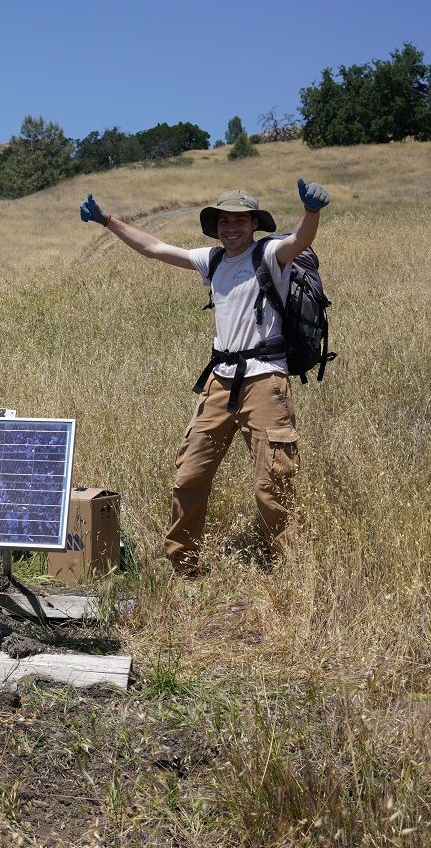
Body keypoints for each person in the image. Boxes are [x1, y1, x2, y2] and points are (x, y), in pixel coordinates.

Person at [80, 179, 330, 575]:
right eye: (224, 221)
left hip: (265, 381)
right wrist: (108, 221)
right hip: (220, 381)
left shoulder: (269, 255)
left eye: (240, 221)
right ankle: (183, 565)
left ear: (253, 224)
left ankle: (288, 570)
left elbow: (299, 240)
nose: (231, 228)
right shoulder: (212, 260)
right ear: (216, 225)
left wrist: (311, 211)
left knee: (272, 485)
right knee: (189, 476)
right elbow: (155, 248)